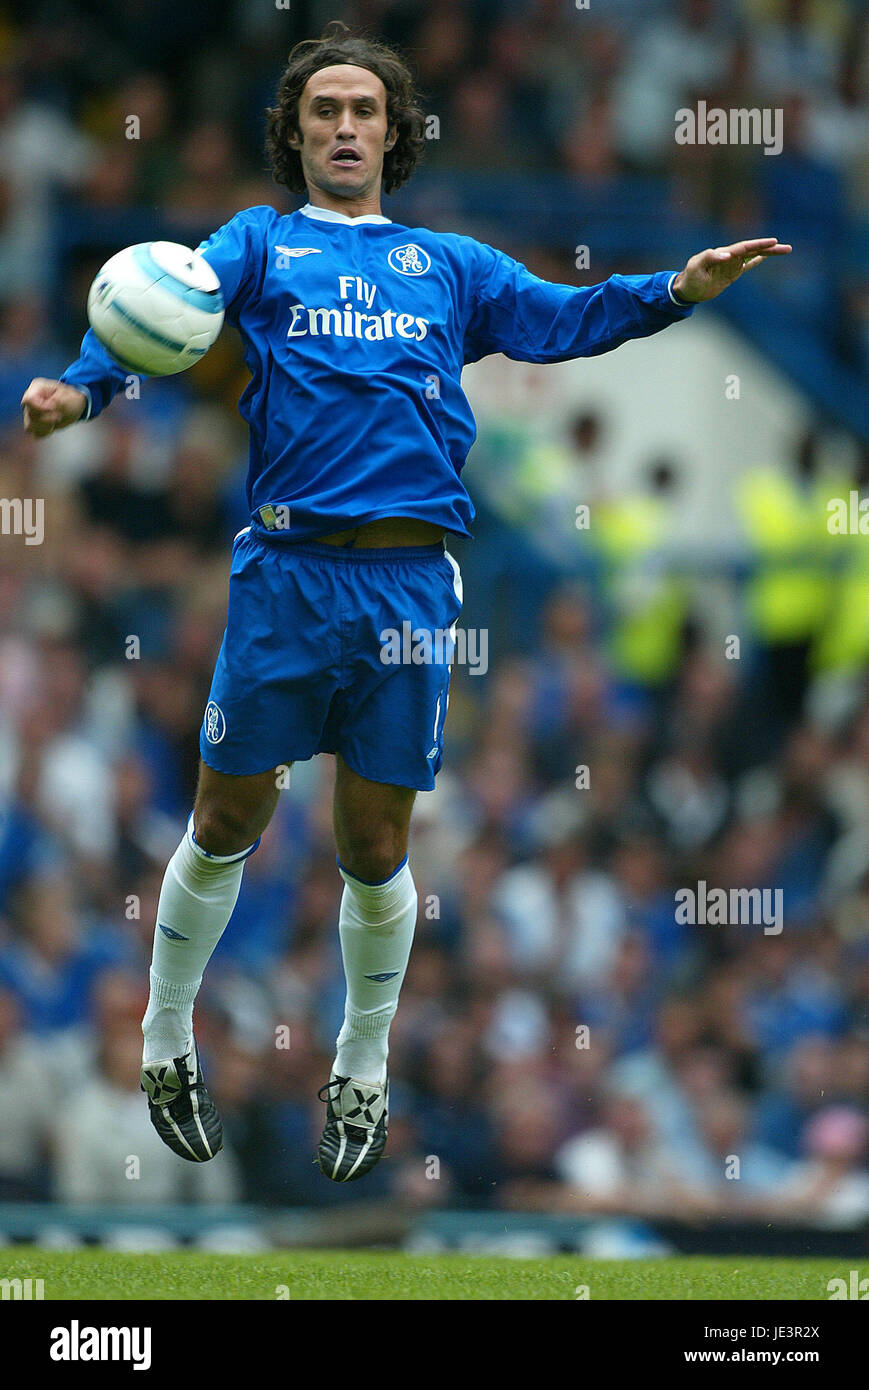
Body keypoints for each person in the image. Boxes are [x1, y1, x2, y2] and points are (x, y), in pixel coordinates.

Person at [21, 22, 791, 1184]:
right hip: (285, 575)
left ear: (394, 132)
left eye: (363, 110)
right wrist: (79, 391)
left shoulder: (451, 267)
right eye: (322, 109)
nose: (342, 126)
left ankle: (362, 1064)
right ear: (294, 132)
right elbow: (164, 320)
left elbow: (566, 318)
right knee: (225, 821)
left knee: (373, 846)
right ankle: (166, 1035)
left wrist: (676, 288)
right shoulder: (260, 244)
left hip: (407, 588)